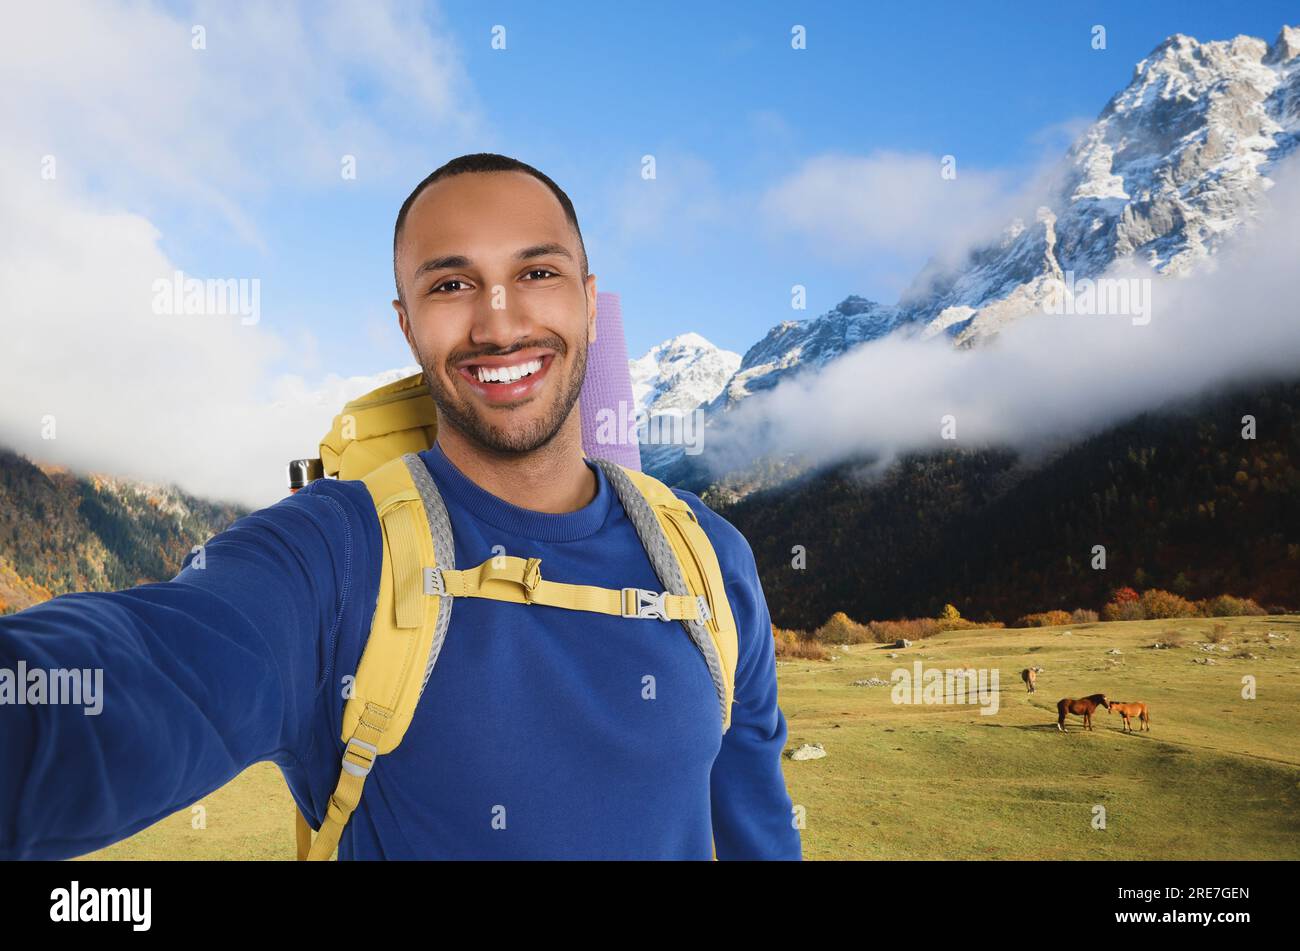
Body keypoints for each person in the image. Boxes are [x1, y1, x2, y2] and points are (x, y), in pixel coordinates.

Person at [0, 153, 802, 860]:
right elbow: (149, 668)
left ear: (590, 301)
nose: (500, 320)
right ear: (406, 324)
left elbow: (756, 832)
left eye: (537, 272)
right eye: (452, 284)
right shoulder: (336, 553)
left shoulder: (709, 558)